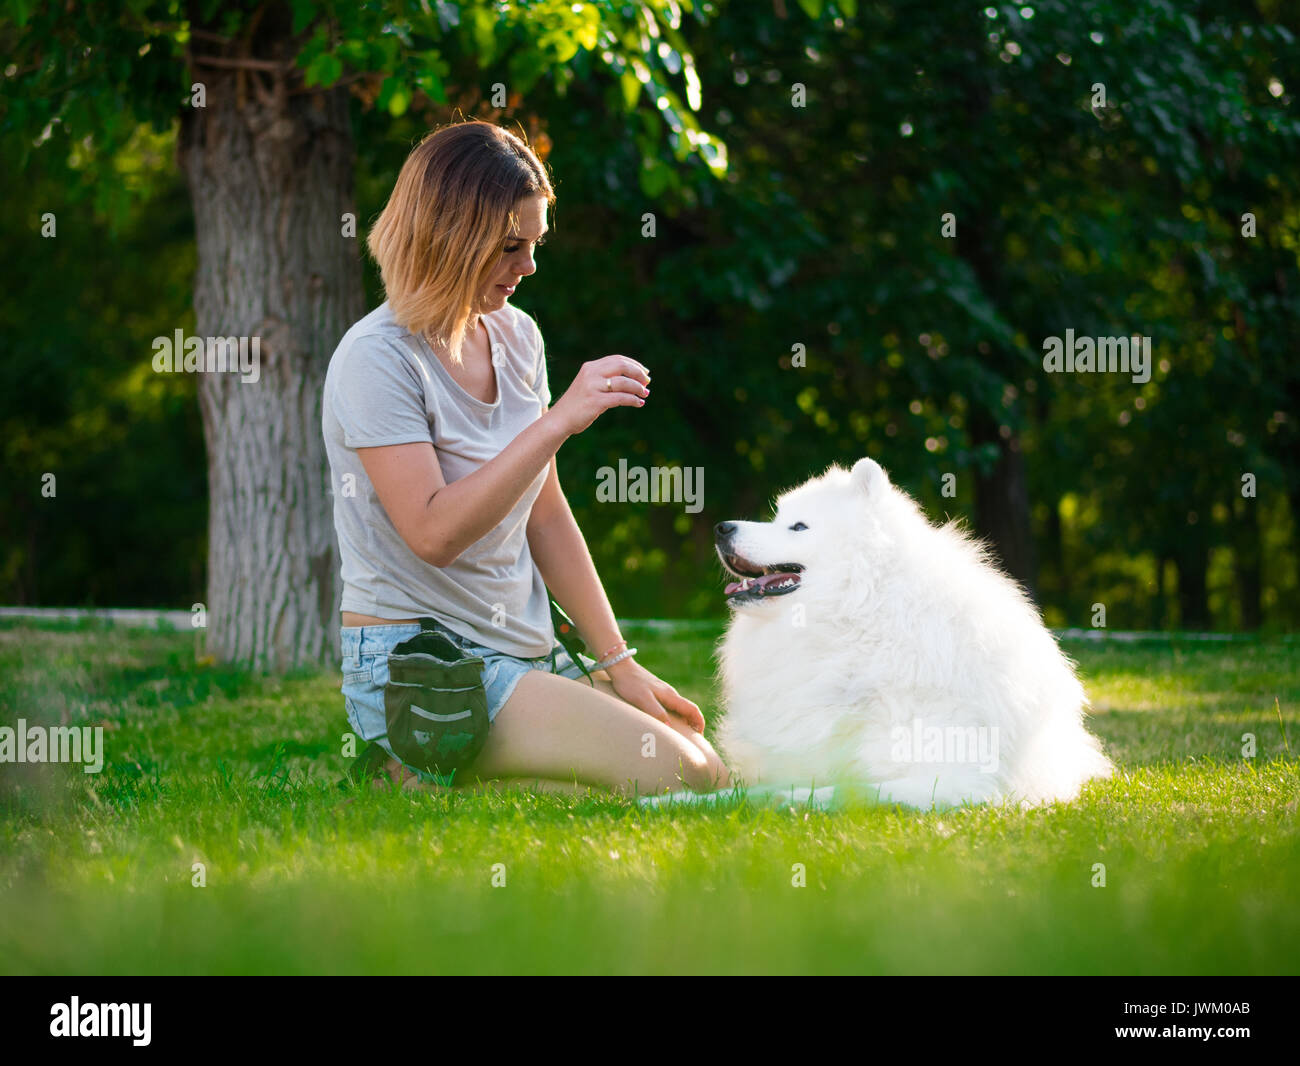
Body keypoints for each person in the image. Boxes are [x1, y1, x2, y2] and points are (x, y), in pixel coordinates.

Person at [322, 120, 731, 798]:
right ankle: (408, 760)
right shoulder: (376, 359)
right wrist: (558, 422)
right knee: (676, 778)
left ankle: (432, 776)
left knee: (704, 766)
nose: (530, 267)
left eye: (535, 244)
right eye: (511, 246)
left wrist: (617, 662)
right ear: (448, 237)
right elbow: (432, 533)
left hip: (521, 651)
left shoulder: (517, 337)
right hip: (422, 665)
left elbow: (545, 514)